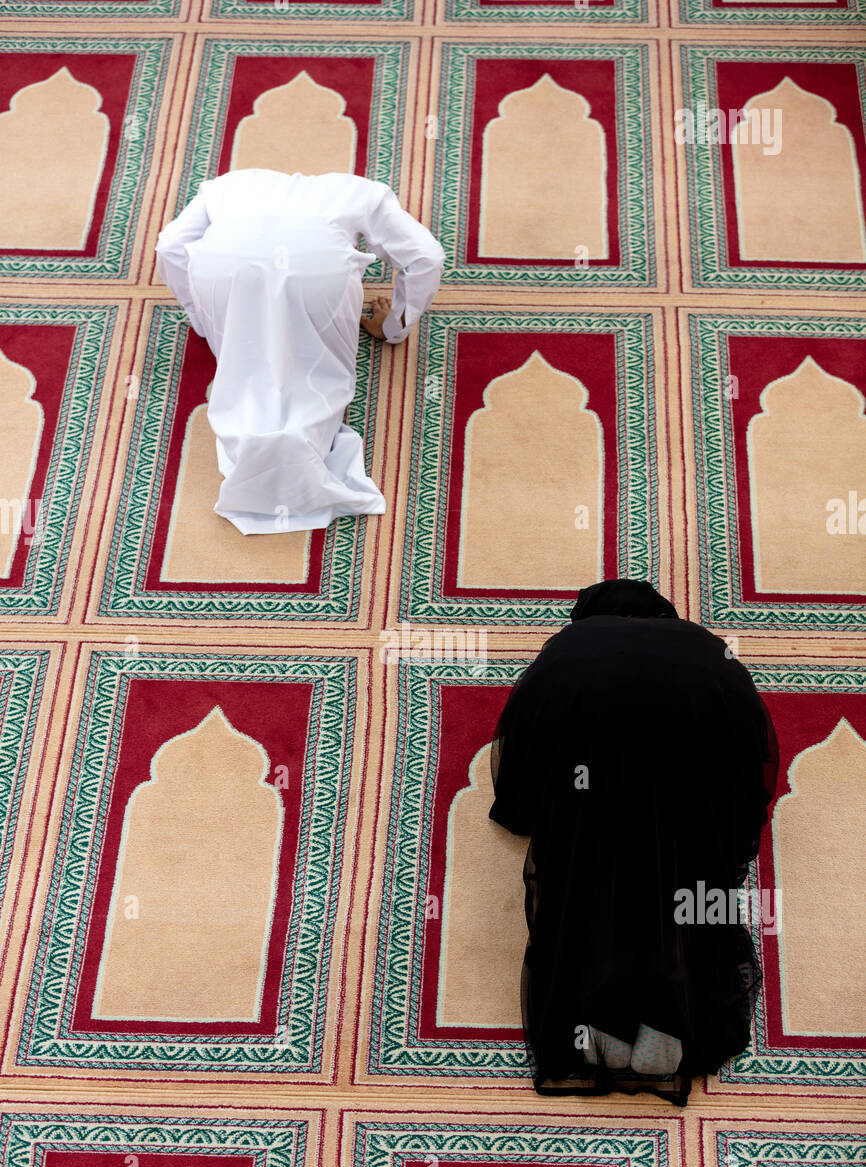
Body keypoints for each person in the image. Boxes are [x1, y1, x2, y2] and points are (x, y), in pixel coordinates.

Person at [489, 579, 779, 1107]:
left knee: (591, 890)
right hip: (686, 789)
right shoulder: (705, 647)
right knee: (680, 890)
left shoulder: (565, 651)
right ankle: (667, 1021)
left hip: (589, 786)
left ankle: (598, 1028)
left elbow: (524, 739)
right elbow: (747, 740)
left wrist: (529, 805)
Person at [155, 168, 445, 535]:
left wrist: (207, 321)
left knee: (252, 356)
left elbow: (169, 247)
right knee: (312, 374)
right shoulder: (364, 192)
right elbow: (427, 257)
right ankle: (297, 466)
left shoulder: (223, 185)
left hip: (223, 265)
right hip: (319, 269)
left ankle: (264, 464)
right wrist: (394, 328)